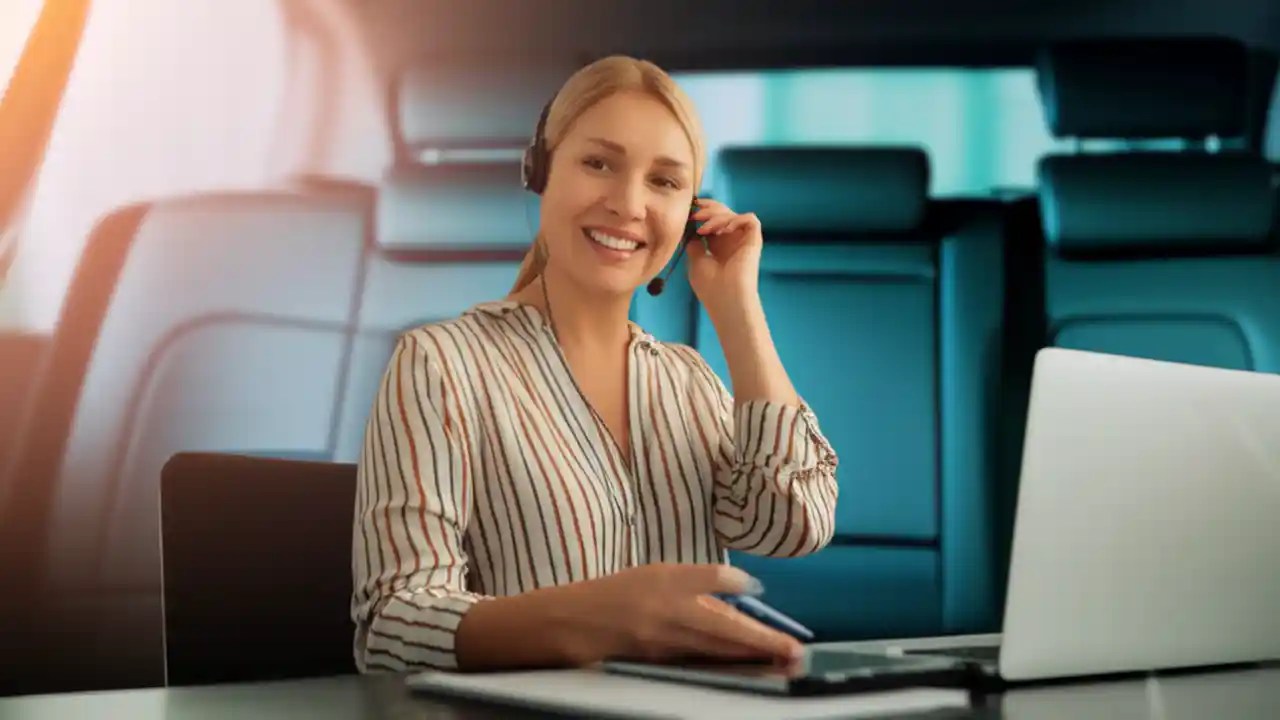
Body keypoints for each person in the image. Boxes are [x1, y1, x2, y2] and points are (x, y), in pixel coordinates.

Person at [351, 55, 839, 674]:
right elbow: (394, 627)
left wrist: (738, 308)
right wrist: (596, 621)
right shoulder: (442, 364)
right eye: (599, 164)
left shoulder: (686, 380)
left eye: (664, 182)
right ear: (542, 173)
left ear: (691, 211)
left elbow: (790, 524)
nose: (628, 204)